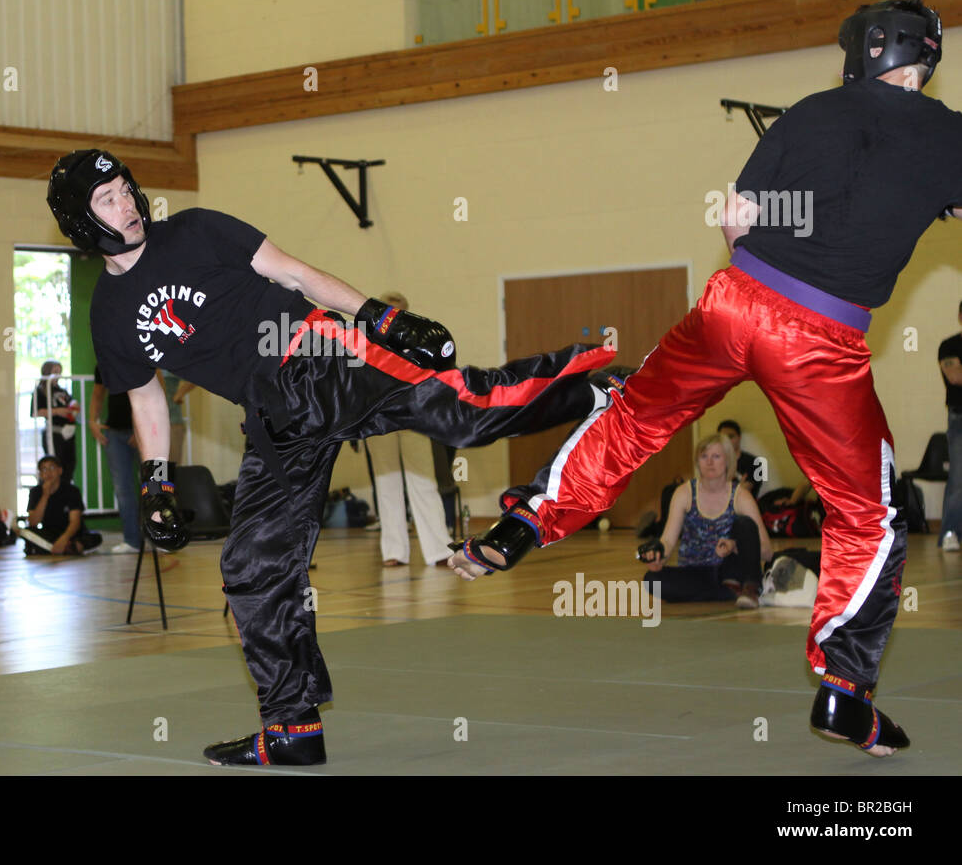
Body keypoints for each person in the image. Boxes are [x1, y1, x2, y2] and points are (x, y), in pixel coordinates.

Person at [450, 0, 962, 757]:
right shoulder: (949, 136)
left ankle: (526, 522)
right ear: (927, 59)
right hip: (820, 338)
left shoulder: (810, 110)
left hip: (733, 304)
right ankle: (845, 693)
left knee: (634, 417)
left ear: (862, 53)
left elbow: (734, 216)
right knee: (870, 515)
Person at [47, 148, 618, 766]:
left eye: (126, 190)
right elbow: (146, 398)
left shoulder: (194, 229)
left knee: (463, 417)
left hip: (323, 355)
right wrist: (156, 486)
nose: (127, 204)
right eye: (108, 200)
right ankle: (291, 729)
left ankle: (593, 385)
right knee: (252, 569)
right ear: (83, 223)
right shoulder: (108, 312)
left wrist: (381, 316)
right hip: (273, 418)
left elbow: (294, 272)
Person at [366, 293, 458, 568]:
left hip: (413, 414)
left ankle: (439, 549)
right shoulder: (368, 341)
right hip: (379, 417)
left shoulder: (420, 341)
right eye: (390, 312)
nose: (395, 317)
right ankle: (394, 551)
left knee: (424, 479)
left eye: (400, 312)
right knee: (386, 482)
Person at [638, 434, 772, 608]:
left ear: (728, 461)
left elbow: (767, 552)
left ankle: (747, 588)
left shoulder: (741, 497)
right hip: (694, 571)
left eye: (716, 456)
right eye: (704, 456)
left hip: (729, 571)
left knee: (744, 524)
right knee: (652, 580)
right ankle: (727, 593)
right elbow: (668, 541)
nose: (709, 462)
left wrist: (735, 546)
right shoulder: (684, 493)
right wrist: (657, 558)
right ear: (697, 461)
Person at [88, 367, 141, 554]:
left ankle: (162, 536)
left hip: (145, 431)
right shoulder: (103, 362)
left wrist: (141, 427)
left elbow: (159, 391)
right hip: (115, 432)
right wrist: (92, 421)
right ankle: (132, 541)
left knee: (156, 483)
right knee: (123, 489)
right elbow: (97, 394)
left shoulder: (142, 353)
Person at [19, 456, 97, 555]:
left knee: (94, 537)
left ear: (60, 470)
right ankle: (65, 549)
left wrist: (63, 540)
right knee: (26, 532)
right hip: (50, 533)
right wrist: (45, 495)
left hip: (71, 534)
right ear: (40, 474)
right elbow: (33, 522)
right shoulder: (35, 492)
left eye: (52, 468)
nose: (48, 473)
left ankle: (53, 547)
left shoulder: (72, 490)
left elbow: (75, 521)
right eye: (44, 469)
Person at [937, 301, 962, 551]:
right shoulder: (949, 346)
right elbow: (956, 377)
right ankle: (950, 532)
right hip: (959, 420)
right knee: (959, 477)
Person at [32, 361, 78, 481]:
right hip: (54, 433)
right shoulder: (41, 390)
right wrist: (57, 411)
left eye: (59, 372)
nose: (58, 375)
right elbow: (36, 412)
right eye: (55, 372)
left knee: (69, 466)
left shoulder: (62, 391)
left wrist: (73, 407)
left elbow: (71, 405)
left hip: (68, 433)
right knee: (55, 464)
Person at [715, 418, 760, 495]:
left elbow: (745, 490)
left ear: (739, 437)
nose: (727, 440)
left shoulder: (755, 462)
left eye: (731, 436)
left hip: (745, 505)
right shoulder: (714, 462)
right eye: (723, 437)